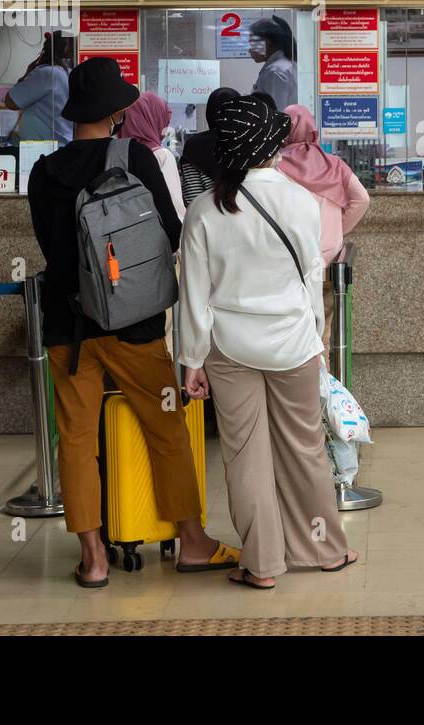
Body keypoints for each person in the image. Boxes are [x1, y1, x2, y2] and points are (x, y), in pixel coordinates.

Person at [26, 57, 241, 587]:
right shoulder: (136, 158)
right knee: (167, 428)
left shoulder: (42, 172)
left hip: (66, 330)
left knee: (76, 441)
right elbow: (172, 230)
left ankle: (94, 559)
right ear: (118, 111)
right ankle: (192, 541)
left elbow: (51, 248)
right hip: (135, 325)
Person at [176, 94, 357, 589]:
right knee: (305, 448)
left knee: (244, 455)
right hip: (293, 343)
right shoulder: (299, 200)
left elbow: (194, 293)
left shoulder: (203, 210)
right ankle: (325, 550)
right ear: (271, 144)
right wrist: (318, 340)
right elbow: (311, 278)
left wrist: (191, 360)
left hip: (230, 348)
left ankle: (261, 564)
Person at [278, 104, 371, 359]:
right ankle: (323, 393)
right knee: (323, 334)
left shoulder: (276, 166)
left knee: (291, 336)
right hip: (328, 259)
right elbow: (362, 199)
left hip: (291, 262)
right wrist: (337, 230)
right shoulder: (335, 164)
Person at [122, 91, 185, 222]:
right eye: (163, 121)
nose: (165, 129)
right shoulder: (162, 156)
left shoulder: (116, 154)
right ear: (151, 119)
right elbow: (176, 209)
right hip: (156, 235)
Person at [5, 32, 75, 144]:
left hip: (43, 147)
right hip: (60, 143)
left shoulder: (48, 73)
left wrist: (27, 73)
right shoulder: (67, 73)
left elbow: (10, 102)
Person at [178, 86, 240, 208]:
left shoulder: (195, 146)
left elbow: (192, 199)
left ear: (210, 112)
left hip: (207, 220)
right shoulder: (249, 143)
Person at [249, 15, 298, 110]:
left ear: (266, 43)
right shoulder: (285, 65)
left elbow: (276, 113)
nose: (249, 50)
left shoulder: (276, 71)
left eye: (252, 44)